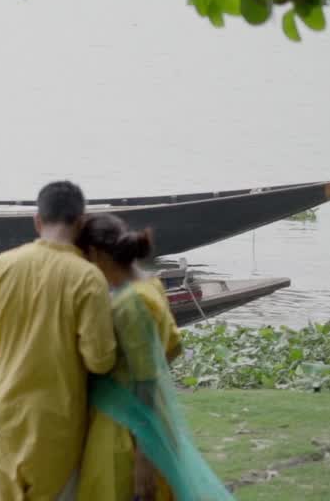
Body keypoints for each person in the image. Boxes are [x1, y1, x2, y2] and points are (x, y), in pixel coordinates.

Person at [0, 181, 117, 500]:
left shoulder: (1, 266)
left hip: (5, 414)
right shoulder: (87, 277)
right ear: (80, 223)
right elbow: (100, 359)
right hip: (57, 424)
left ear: (38, 220)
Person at [74, 214, 232, 501]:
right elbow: (173, 347)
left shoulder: (130, 304)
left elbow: (144, 381)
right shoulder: (152, 287)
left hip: (126, 430)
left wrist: (143, 461)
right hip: (151, 422)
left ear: (95, 254)